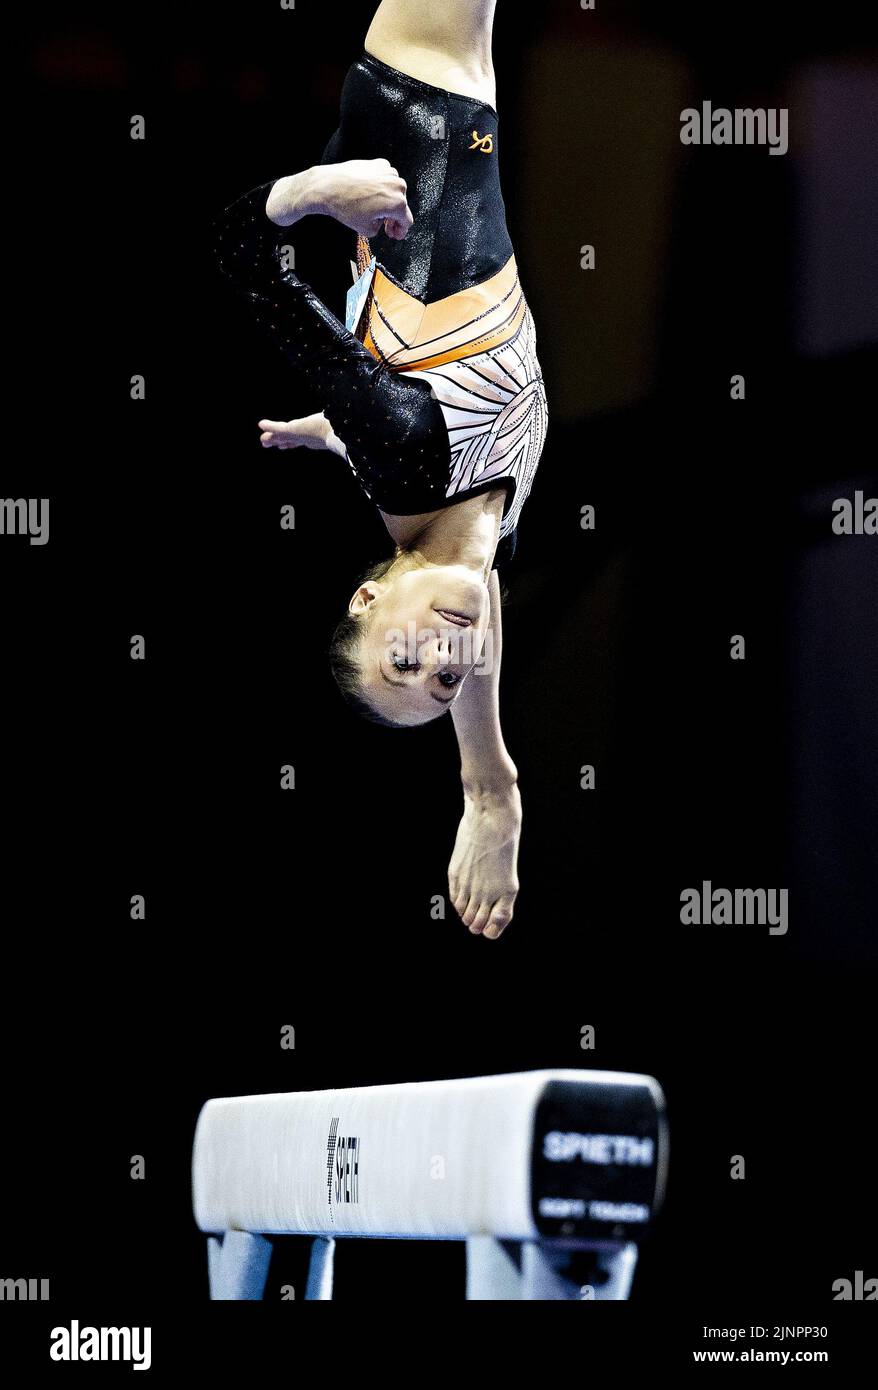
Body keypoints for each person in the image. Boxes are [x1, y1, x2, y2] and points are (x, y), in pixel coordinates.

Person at [214, 0, 548, 939]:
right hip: (449, 108)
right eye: (439, 682)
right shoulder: (469, 537)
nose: (441, 659)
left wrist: (307, 195)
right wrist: (490, 783)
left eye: (403, 656)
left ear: (369, 597)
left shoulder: (402, 454)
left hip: (420, 95)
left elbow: (243, 257)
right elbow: (468, 622)